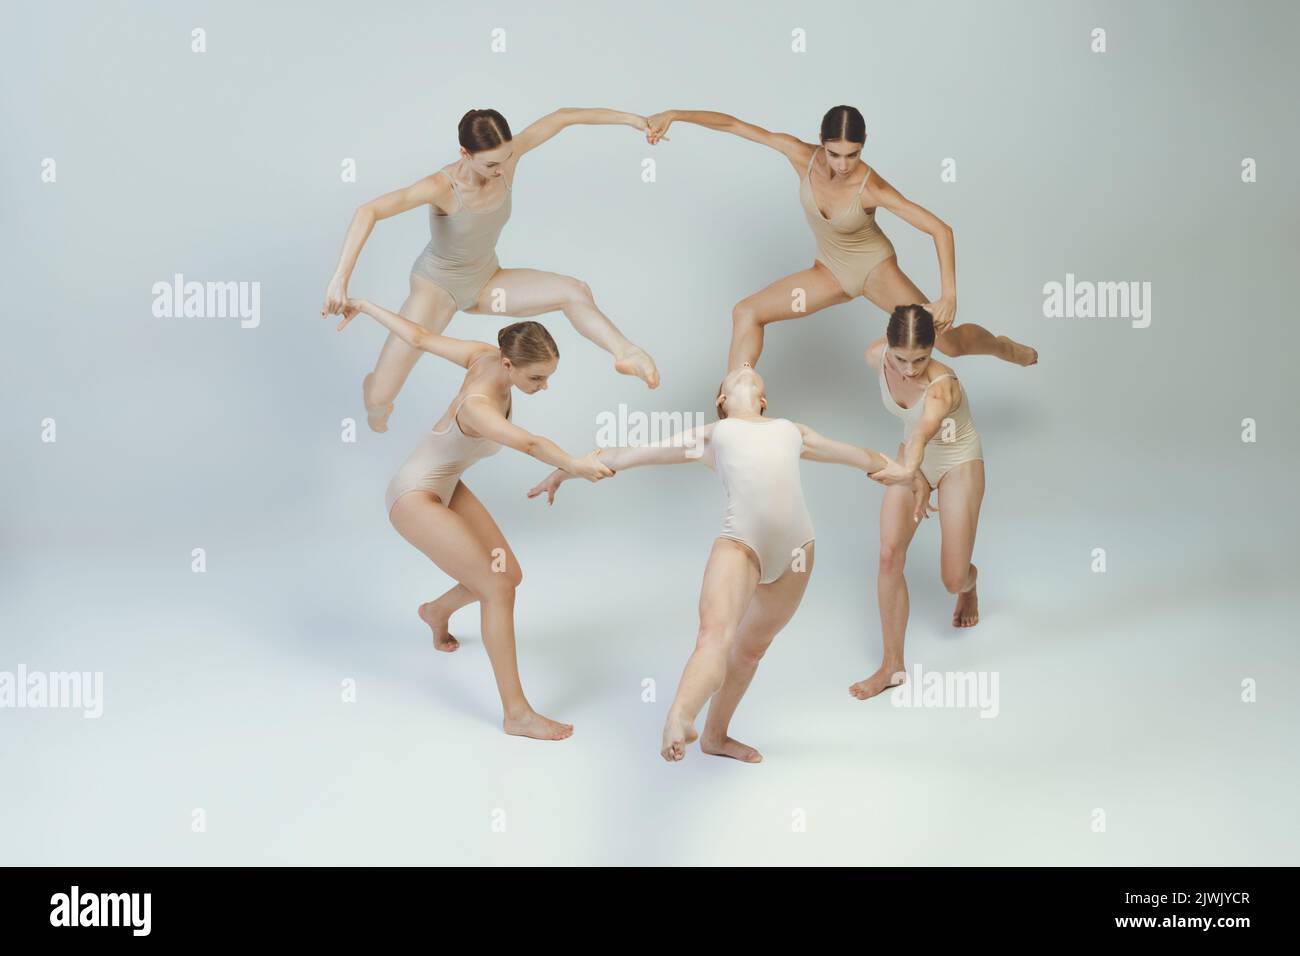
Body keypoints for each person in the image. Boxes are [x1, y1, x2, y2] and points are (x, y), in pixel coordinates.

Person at [528, 363, 913, 761]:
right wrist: (567, 470)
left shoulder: (791, 430)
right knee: (714, 636)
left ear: (763, 401)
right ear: (722, 401)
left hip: (799, 553)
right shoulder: (712, 435)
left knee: (748, 654)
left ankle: (715, 735)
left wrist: (905, 473)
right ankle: (679, 716)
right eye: (735, 376)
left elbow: (860, 456)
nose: (746, 367)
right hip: (741, 547)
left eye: (752, 372)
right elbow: (629, 455)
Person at [334, 297, 614, 740]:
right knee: (496, 587)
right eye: (536, 378)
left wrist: (366, 306)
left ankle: (435, 611)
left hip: (446, 484)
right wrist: (575, 465)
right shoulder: (479, 405)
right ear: (507, 364)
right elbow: (530, 443)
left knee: (508, 574)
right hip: (414, 496)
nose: (544, 387)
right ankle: (516, 713)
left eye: (547, 377)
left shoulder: (482, 355)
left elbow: (420, 336)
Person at [323, 108, 660, 432]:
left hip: (487, 280)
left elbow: (563, 117)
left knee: (575, 290)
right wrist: (340, 281)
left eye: (506, 157)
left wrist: (634, 120)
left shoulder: (507, 160)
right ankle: (375, 402)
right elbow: (368, 211)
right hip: (438, 287)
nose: (502, 169)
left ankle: (626, 352)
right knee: (380, 396)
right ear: (465, 154)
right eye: (492, 163)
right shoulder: (441, 186)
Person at [643, 105, 1038, 371]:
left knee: (948, 346)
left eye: (853, 154)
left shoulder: (872, 186)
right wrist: (676, 114)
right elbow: (735, 126)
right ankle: (734, 407)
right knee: (745, 312)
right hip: (829, 271)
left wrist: (948, 294)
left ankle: (1002, 346)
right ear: (822, 141)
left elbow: (940, 229)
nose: (844, 164)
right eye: (835, 154)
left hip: (874, 271)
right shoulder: (801, 155)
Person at [850, 305, 986, 702]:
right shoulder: (876, 355)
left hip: (956, 460)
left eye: (921, 359)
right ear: (888, 345)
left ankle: (970, 584)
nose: (910, 370)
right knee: (889, 555)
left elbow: (923, 433)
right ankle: (892, 664)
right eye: (901, 358)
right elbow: (912, 442)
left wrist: (909, 470)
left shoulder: (943, 386)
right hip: (914, 461)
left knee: (952, 578)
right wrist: (913, 477)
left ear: (934, 350)